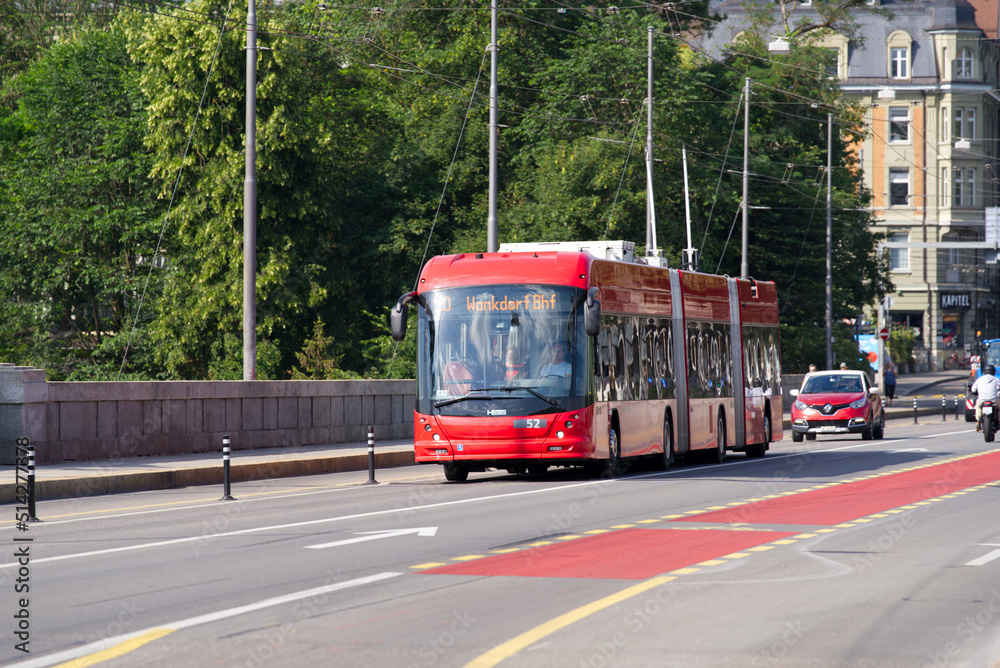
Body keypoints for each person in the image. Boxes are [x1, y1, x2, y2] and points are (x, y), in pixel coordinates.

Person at [971, 364, 1000, 431]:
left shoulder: (979, 379)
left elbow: (973, 389)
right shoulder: (996, 380)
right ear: (993, 372)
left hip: (982, 400)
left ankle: (978, 421)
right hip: (994, 400)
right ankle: (999, 421)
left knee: (978, 406)